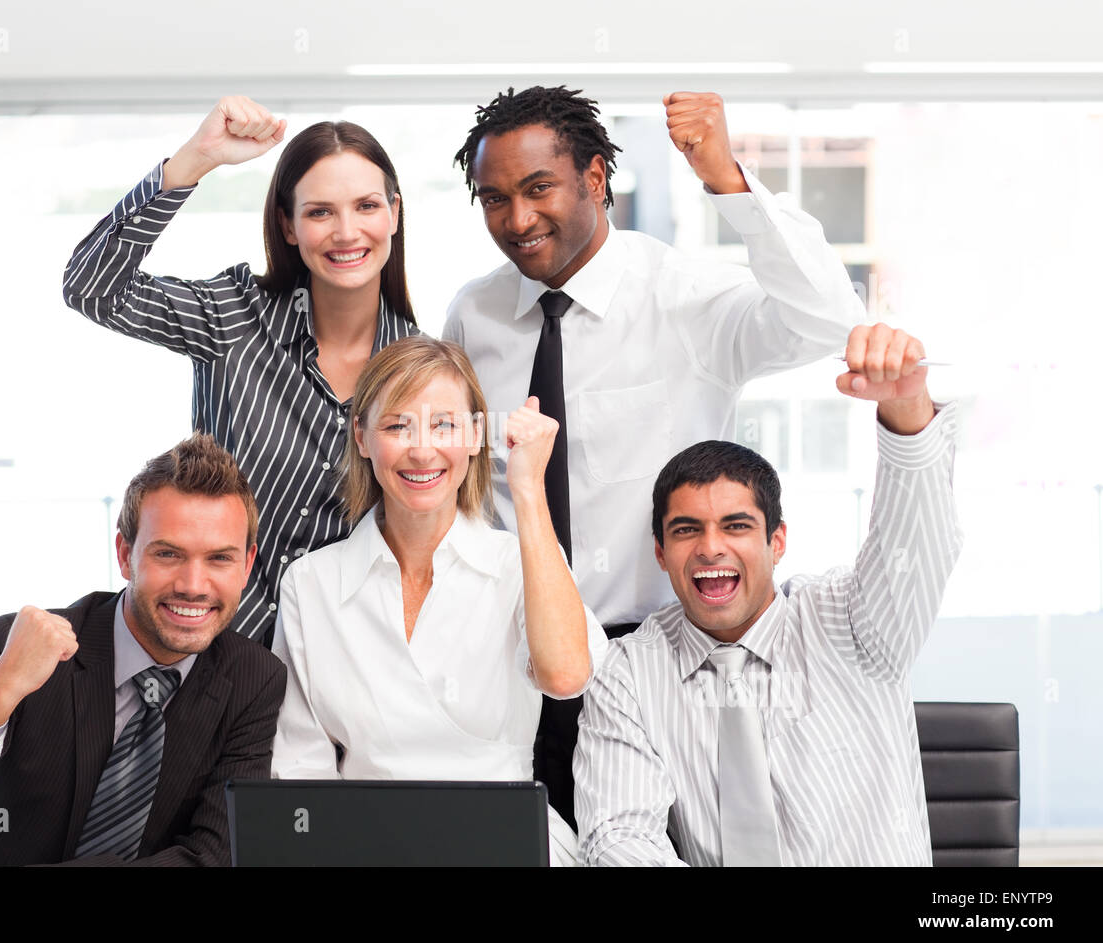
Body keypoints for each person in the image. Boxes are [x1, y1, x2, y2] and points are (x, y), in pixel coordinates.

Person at [443, 85, 868, 827]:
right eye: (494, 198)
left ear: (596, 179)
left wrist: (727, 178)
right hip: (514, 662)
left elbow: (825, 319)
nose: (516, 220)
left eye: (538, 188)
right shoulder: (473, 314)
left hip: (656, 663)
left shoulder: (687, 298)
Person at [573, 323, 960, 866]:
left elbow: (915, 544)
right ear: (660, 552)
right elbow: (619, 835)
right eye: (686, 530)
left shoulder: (850, 620)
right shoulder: (628, 674)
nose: (711, 549)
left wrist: (907, 416)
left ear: (776, 541)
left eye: (735, 526)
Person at [62, 95, 419, 650]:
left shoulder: (418, 371)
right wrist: (195, 160)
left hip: (337, 662)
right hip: (204, 651)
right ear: (290, 224)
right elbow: (91, 288)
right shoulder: (234, 316)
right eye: (320, 211)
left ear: (394, 213)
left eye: (367, 206)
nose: (347, 231)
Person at [270, 336, 608, 865]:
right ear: (362, 437)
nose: (422, 449)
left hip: (507, 842)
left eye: (444, 425)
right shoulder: (310, 584)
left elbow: (566, 677)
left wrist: (527, 489)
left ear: (476, 435)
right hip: (365, 846)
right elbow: (299, 771)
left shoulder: (521, 562)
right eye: (397, 425)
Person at [0, 433, 287, 865]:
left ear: (246, 565)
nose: (192, 585)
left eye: (219, 559)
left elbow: (213, 856)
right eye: (168, 554)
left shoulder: (253, 680)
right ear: (125, 555)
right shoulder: (17, 646)